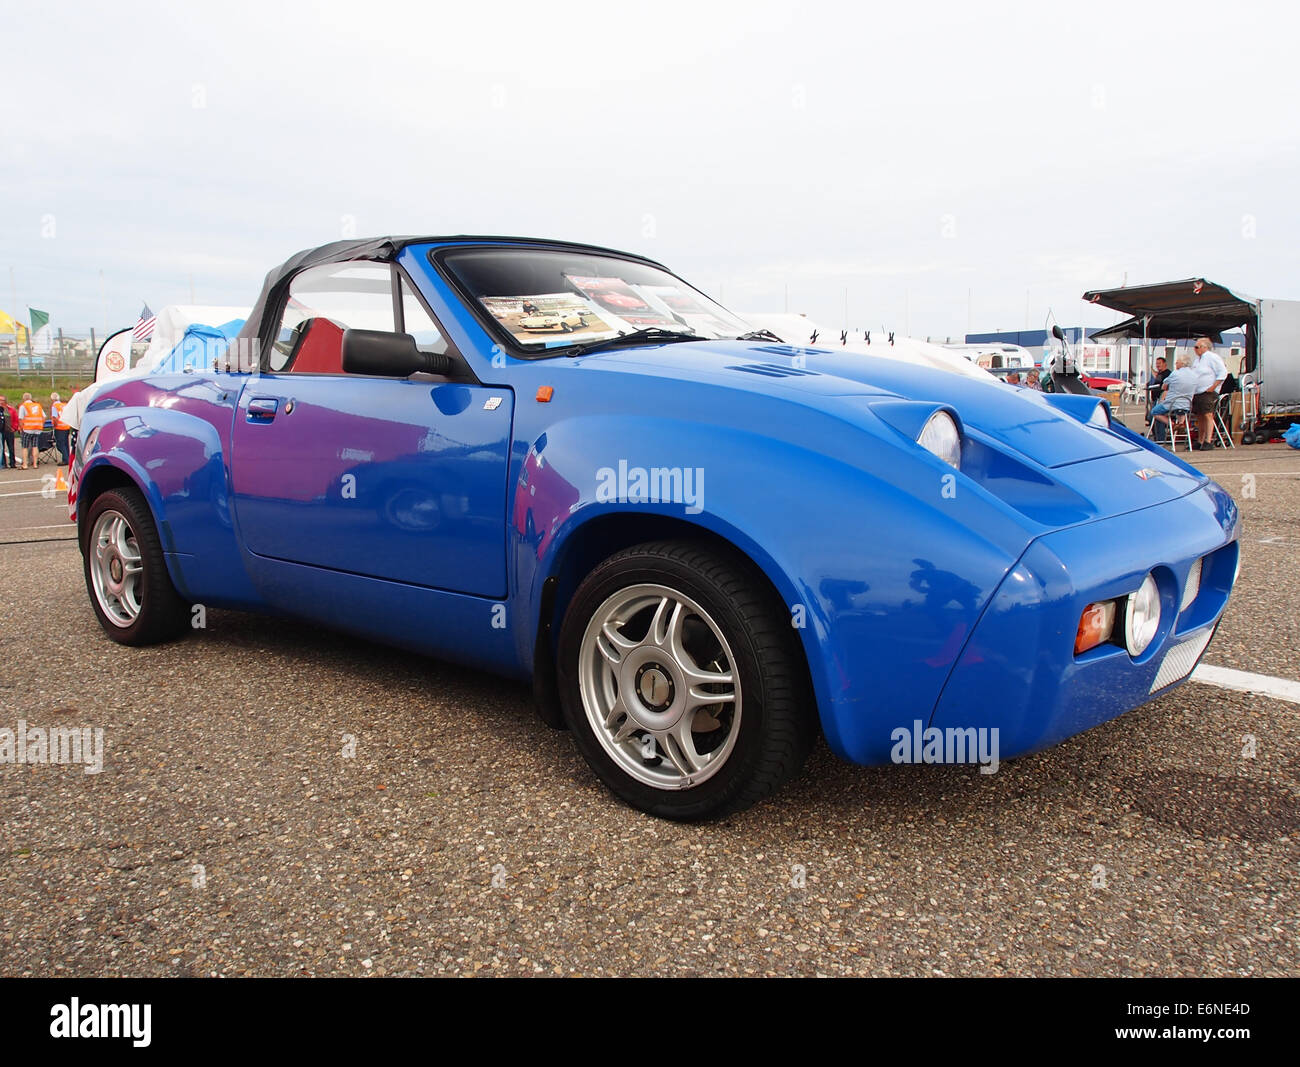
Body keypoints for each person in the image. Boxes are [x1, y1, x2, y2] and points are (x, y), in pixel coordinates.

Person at [1150, 355, 1198, 444]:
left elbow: (1164, 386)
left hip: (1171, 404)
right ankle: (1181, 423)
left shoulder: (1175, 373)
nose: (1176, 364)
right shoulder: (1194, 374)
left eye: (1177, 362)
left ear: (1182, 363)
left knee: (1154, 412)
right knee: (1181, 410)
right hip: (1187, 405)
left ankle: (1173, 425)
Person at [1191, 336, 1227, 450]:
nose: (1195, 349)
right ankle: (1200, 440)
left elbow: (1223, 372)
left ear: (1204, 347)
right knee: (1199, 416)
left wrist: (1213, 387)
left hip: (1208, 392)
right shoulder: (1197, 360)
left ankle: (1208, 440)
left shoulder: (1212, 357)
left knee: (1208, 414)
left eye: (1197, 347)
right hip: (1197, 392)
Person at [17, 392, 44, 470]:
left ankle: (25, 464)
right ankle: (35, 464)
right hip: (37, 428)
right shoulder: (38, 405)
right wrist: (40, 425)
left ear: (24, 398)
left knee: (25, 447)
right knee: (35, 446)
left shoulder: (23, 406)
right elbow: (43, 417)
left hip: (27, 429)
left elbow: (20, 419)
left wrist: (21, 428)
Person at [50, 392, 70, 467]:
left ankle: (66, 458)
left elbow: (55, 417)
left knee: (60, 444)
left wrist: (55, 426)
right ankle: (68, 457)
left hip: (60, 427)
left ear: (52, 399)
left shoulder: (55, 406)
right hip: (66, 426)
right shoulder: (64, 405)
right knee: (65, 444)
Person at [0, 394, 17, 469]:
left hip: (9, 431)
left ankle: (12, 463)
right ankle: (4, 463)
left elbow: (16, 420)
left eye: (2, 400)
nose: (1, 402)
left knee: (11, 447)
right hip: (1, 431)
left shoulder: (11, 409)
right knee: (2, 448)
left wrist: (14, 428)